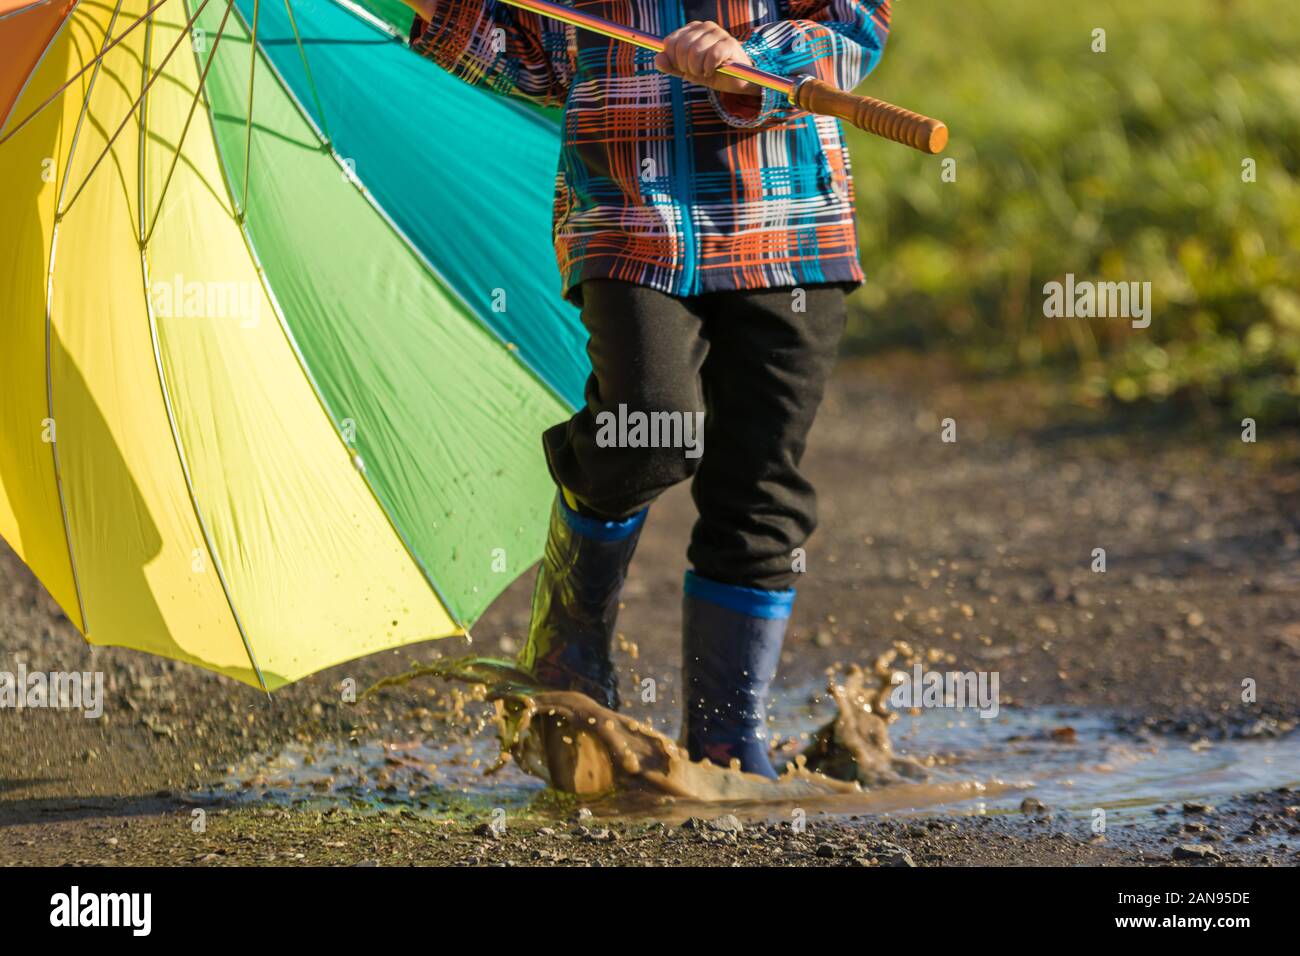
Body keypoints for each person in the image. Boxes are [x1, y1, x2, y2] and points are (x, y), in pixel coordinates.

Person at [402, 0, 890, 778]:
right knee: (652, 430)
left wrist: (751, 60)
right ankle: (570, 639)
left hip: (789, 225)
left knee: (759, 487)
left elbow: (852, 25)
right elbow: (535, 57)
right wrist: (444, 11)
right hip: (629, 222)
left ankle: (729, 749)